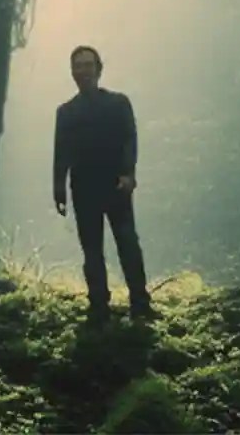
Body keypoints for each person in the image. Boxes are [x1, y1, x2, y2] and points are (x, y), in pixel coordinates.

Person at [53, 45, 156, 323]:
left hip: (115, 185)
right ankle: (98, 305)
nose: (83, 71)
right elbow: (61, 152)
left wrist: (128, 174)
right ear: (72, 72)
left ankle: (140, 303)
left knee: (127, 243)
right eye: (78, 66)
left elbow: (129, 140)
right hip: (83, 188)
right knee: (92, 249)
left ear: (99, 69)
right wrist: (58, 188)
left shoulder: (118, 103)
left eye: (88, 65)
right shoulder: (66, 112)